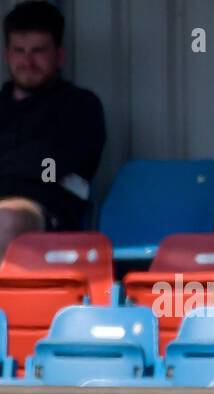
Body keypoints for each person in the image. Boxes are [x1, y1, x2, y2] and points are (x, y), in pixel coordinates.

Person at [0, 1, 106, 254]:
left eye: (38, 51)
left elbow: (48, 165)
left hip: (47, 215)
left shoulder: (80, 106)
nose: (27, 61)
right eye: (19, 50)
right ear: (7, 54)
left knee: (5, 218)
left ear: (59, 55)